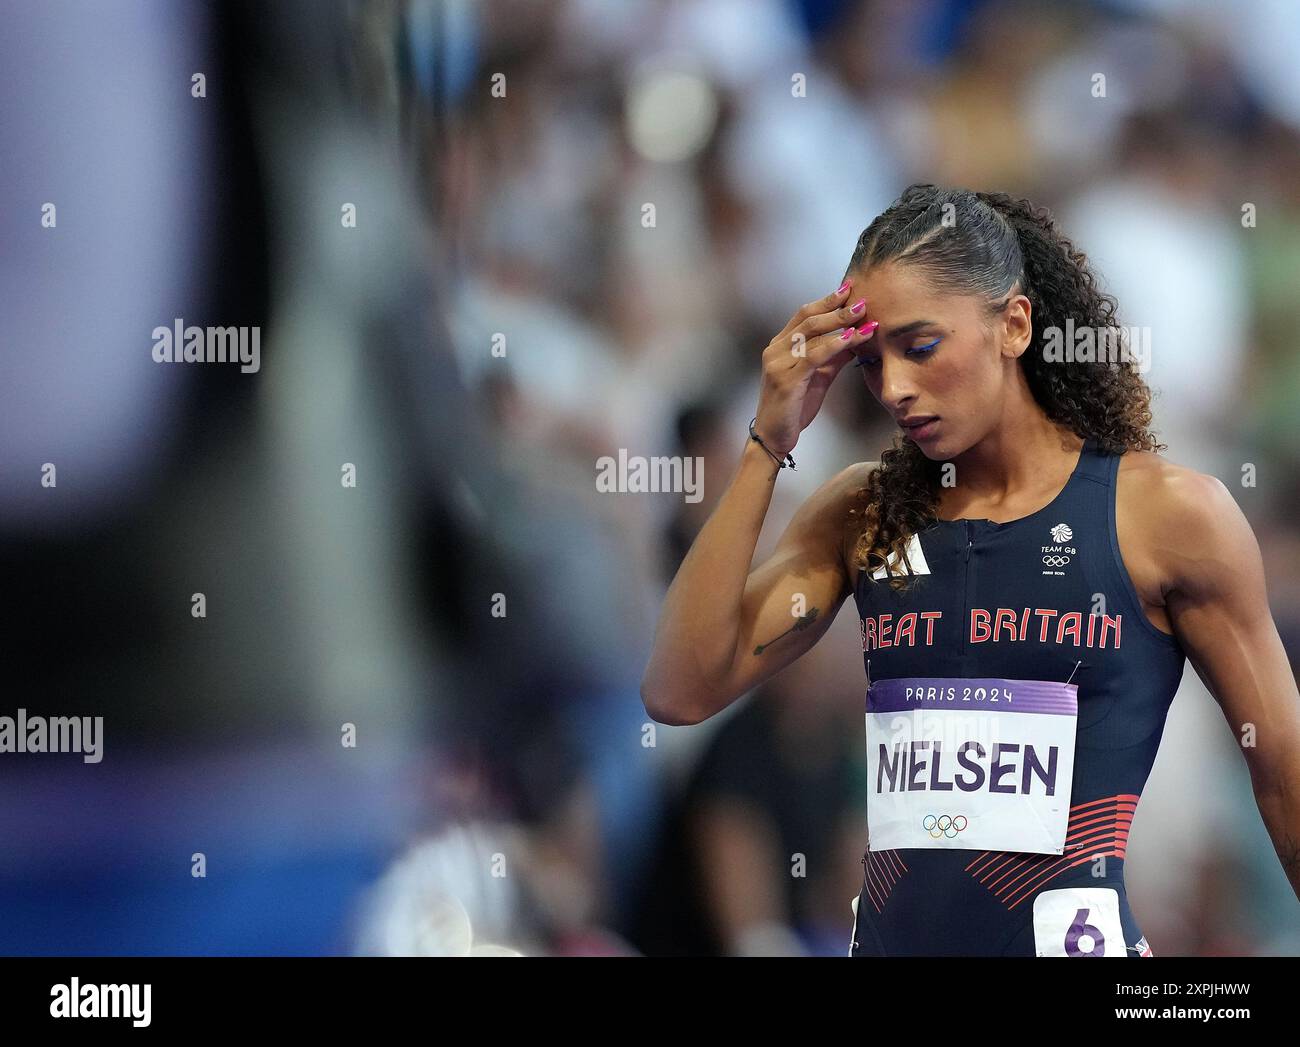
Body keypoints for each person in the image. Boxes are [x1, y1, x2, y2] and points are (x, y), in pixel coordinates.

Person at [640, 183, 1300, 957]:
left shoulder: (1166, 517)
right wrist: (767, 440)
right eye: (869, 362)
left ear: (1013, 324)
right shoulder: (863, 514)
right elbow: (678, 688)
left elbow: (1283, 773)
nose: (894, 388)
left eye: (920, 347)